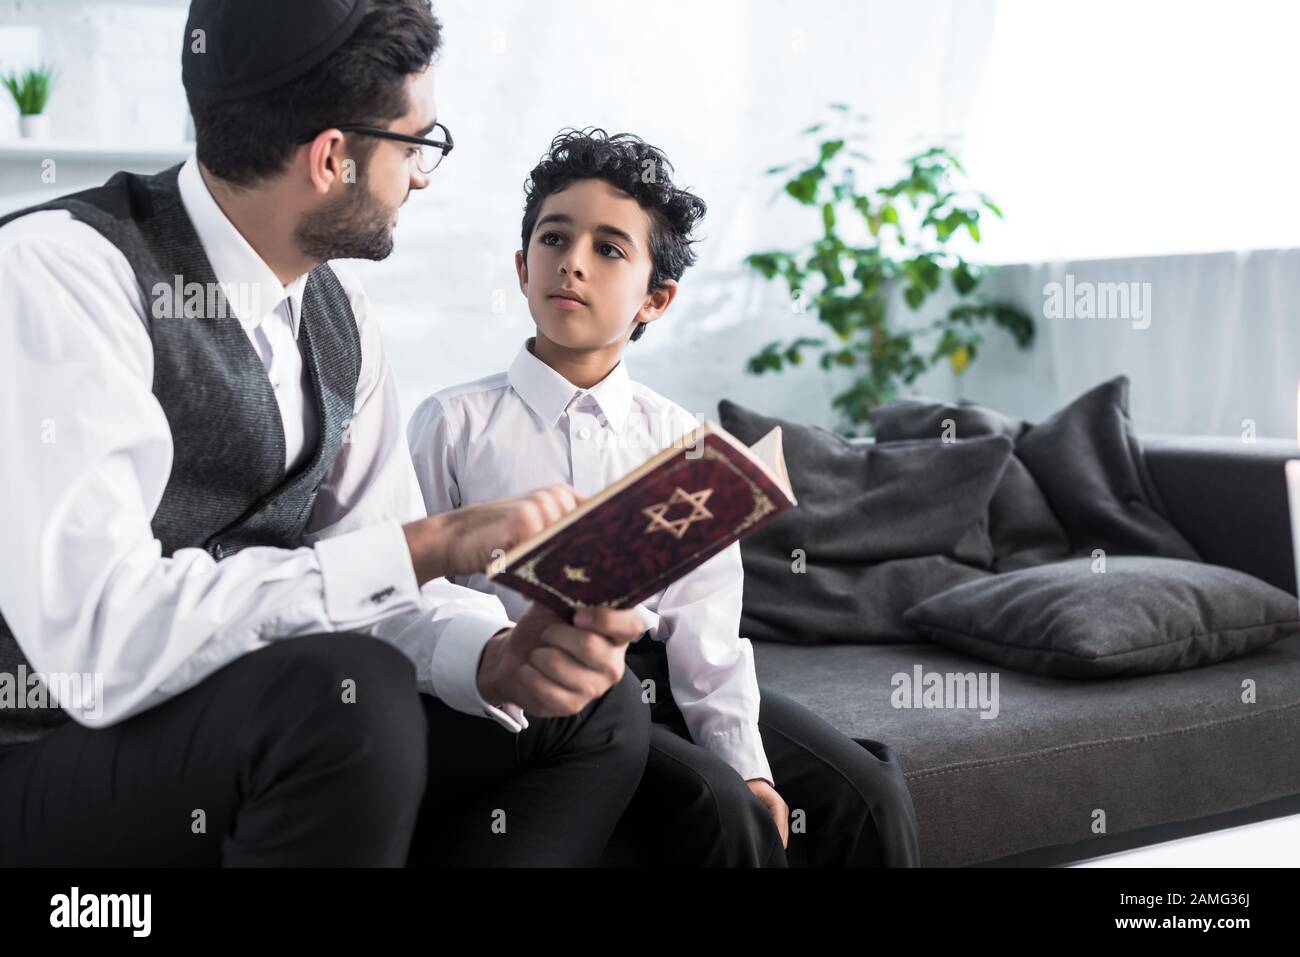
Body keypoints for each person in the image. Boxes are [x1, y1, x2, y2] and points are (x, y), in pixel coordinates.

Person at [0, 0, 651, 867]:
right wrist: (433, 542)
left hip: (263, 725)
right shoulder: (62, 273)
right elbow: (102, 645)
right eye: (418, 145)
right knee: (349, 700)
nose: (422, 175)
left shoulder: (341, 315)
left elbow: (373, 575)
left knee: (591, 709)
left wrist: (492, 657)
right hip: (47, 753)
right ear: (333, 158)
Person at [407, 128, 922, 866]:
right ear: (522, 268)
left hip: (665, 678)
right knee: (722, 807)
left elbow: (708, 636)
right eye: (554, 238)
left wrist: (747, 756)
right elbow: (421, 598)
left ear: (657, 298)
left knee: (867, 793)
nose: (573, 262)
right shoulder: (452, 424)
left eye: (610, 248)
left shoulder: (681, 440)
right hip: (546, 692)